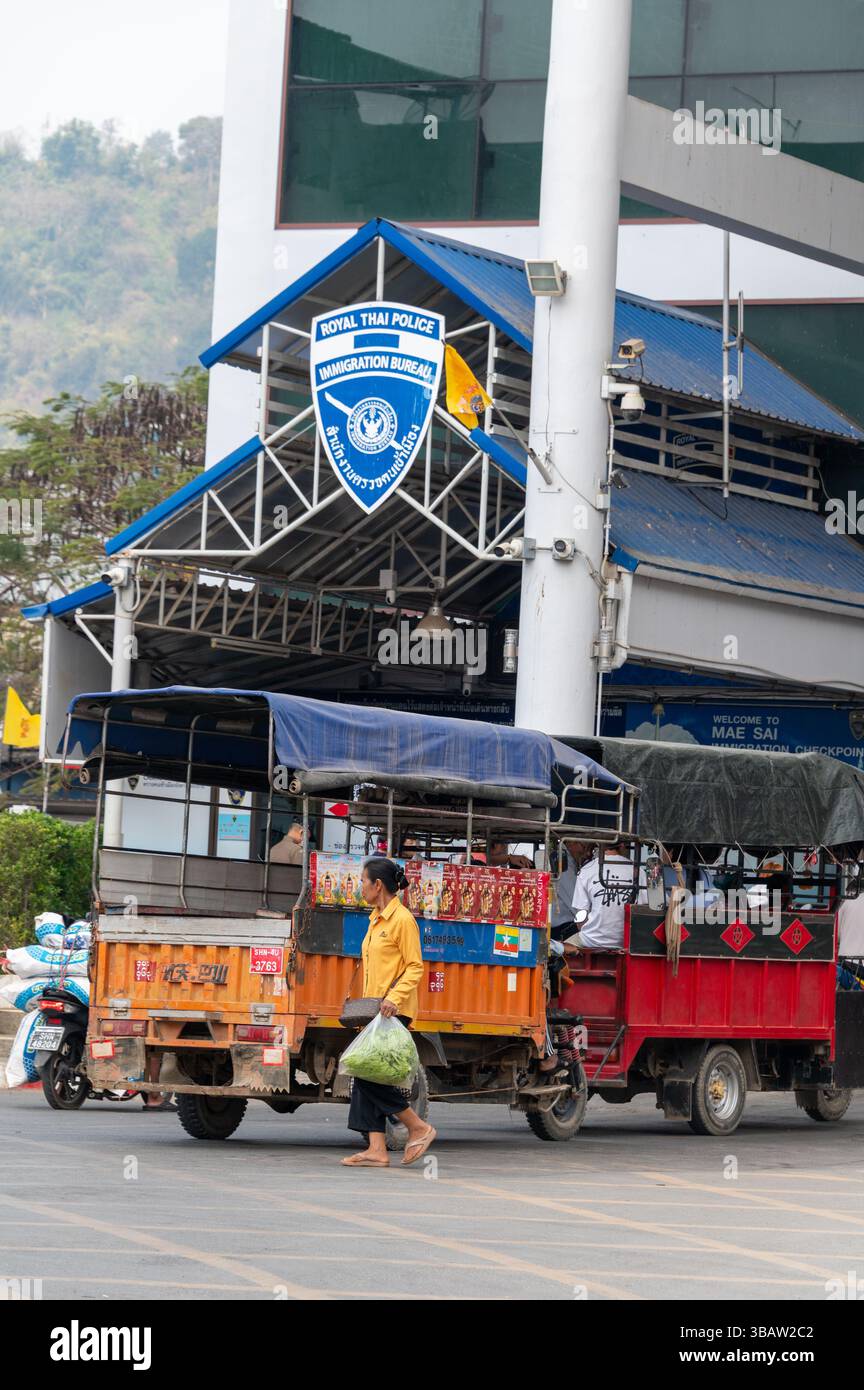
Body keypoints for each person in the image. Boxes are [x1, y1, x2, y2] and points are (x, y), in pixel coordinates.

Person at [341, 857, 436, 1169]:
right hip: (375, 1010)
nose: (360, 887)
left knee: (368, 1073)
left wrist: (394, 998)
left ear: (377, 885)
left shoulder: (402, 920)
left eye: (363, 881)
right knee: (365, 1071)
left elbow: (415, 966)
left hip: (394, 1010)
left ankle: (418, 1127)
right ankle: (376, 1148)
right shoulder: (376, 918)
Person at [567, 839, 642, 951]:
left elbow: (581, 914)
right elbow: (644, 908)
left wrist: (589, 933)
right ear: (622, 845)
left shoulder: (586, 870)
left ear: (599, 845)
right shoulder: (639, 871)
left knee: (558, 952)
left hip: (591, 941)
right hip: (628, 942)